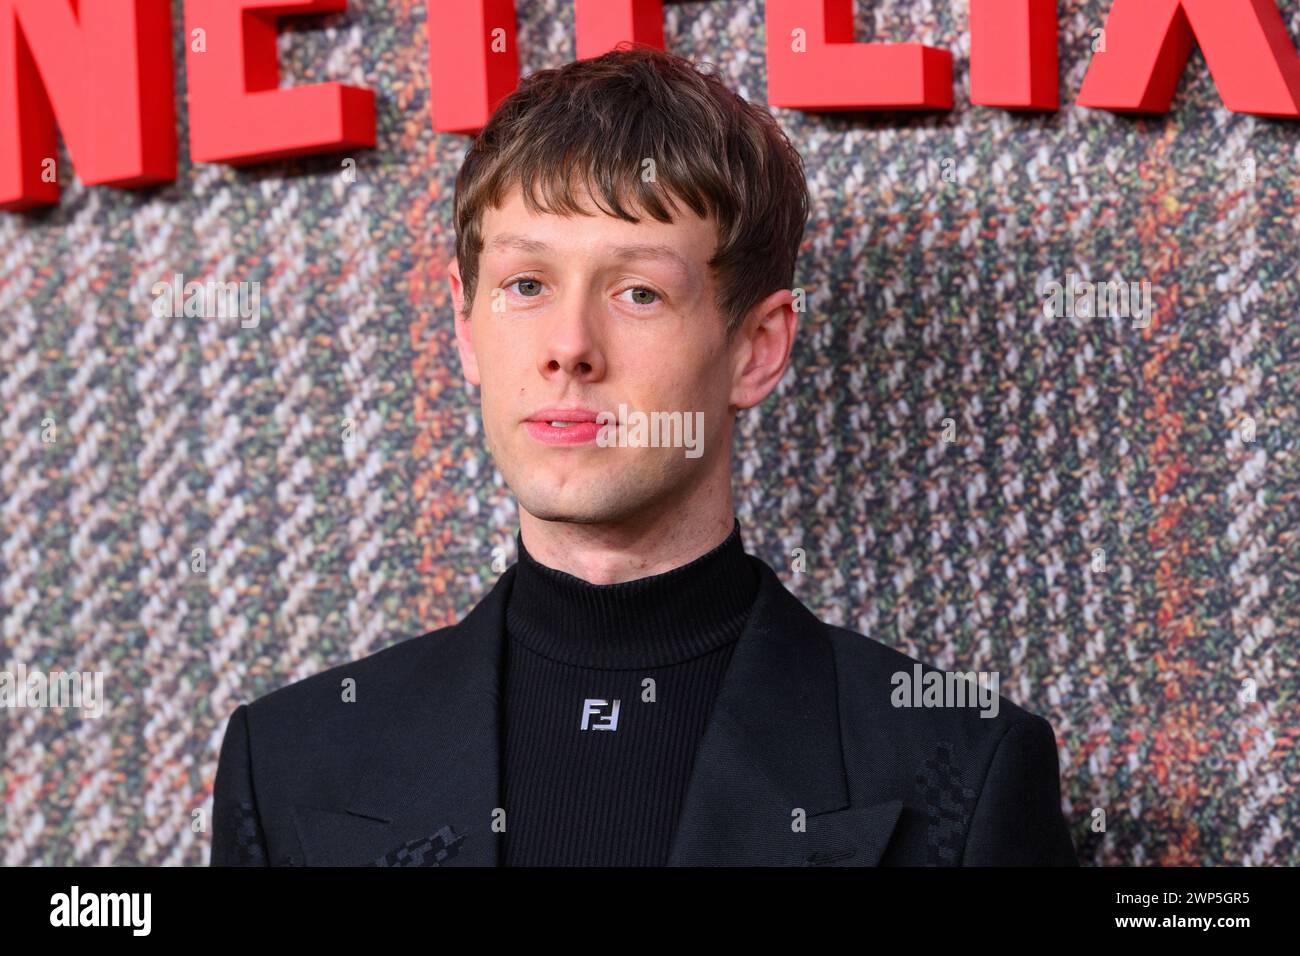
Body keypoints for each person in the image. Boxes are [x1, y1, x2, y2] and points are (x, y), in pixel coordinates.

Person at [211, 44, 1078, 867]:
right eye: (525, 285)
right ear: (463, 323)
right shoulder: (288, 763)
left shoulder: (964, 769)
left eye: (638, 291)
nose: (570, 348)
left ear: (757, 348)